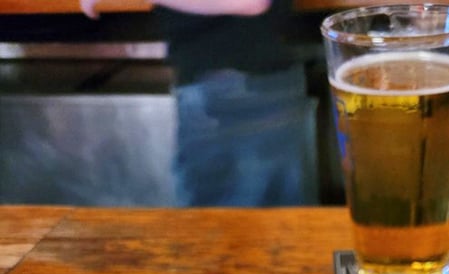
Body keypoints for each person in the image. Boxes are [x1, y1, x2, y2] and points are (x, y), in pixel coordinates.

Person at [80, 0, 319, 207]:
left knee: (226, 233)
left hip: (239, 96)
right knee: (262, 231)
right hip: (244, 90)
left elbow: (250, 2)